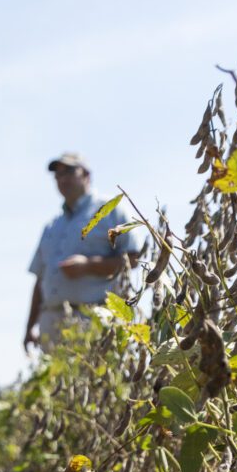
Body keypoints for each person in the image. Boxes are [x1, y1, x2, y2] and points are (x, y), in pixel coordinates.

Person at [23, 152, 144, 354]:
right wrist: (29, 328)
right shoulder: (52, 226)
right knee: (59, 386)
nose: (62, 179)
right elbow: (40, 281)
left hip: (95, 321)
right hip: (52, 326)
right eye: (58, 175)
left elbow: (134, 258)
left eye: (69, 171)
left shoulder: (111, 210)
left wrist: (88, 266)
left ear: (86, 175)